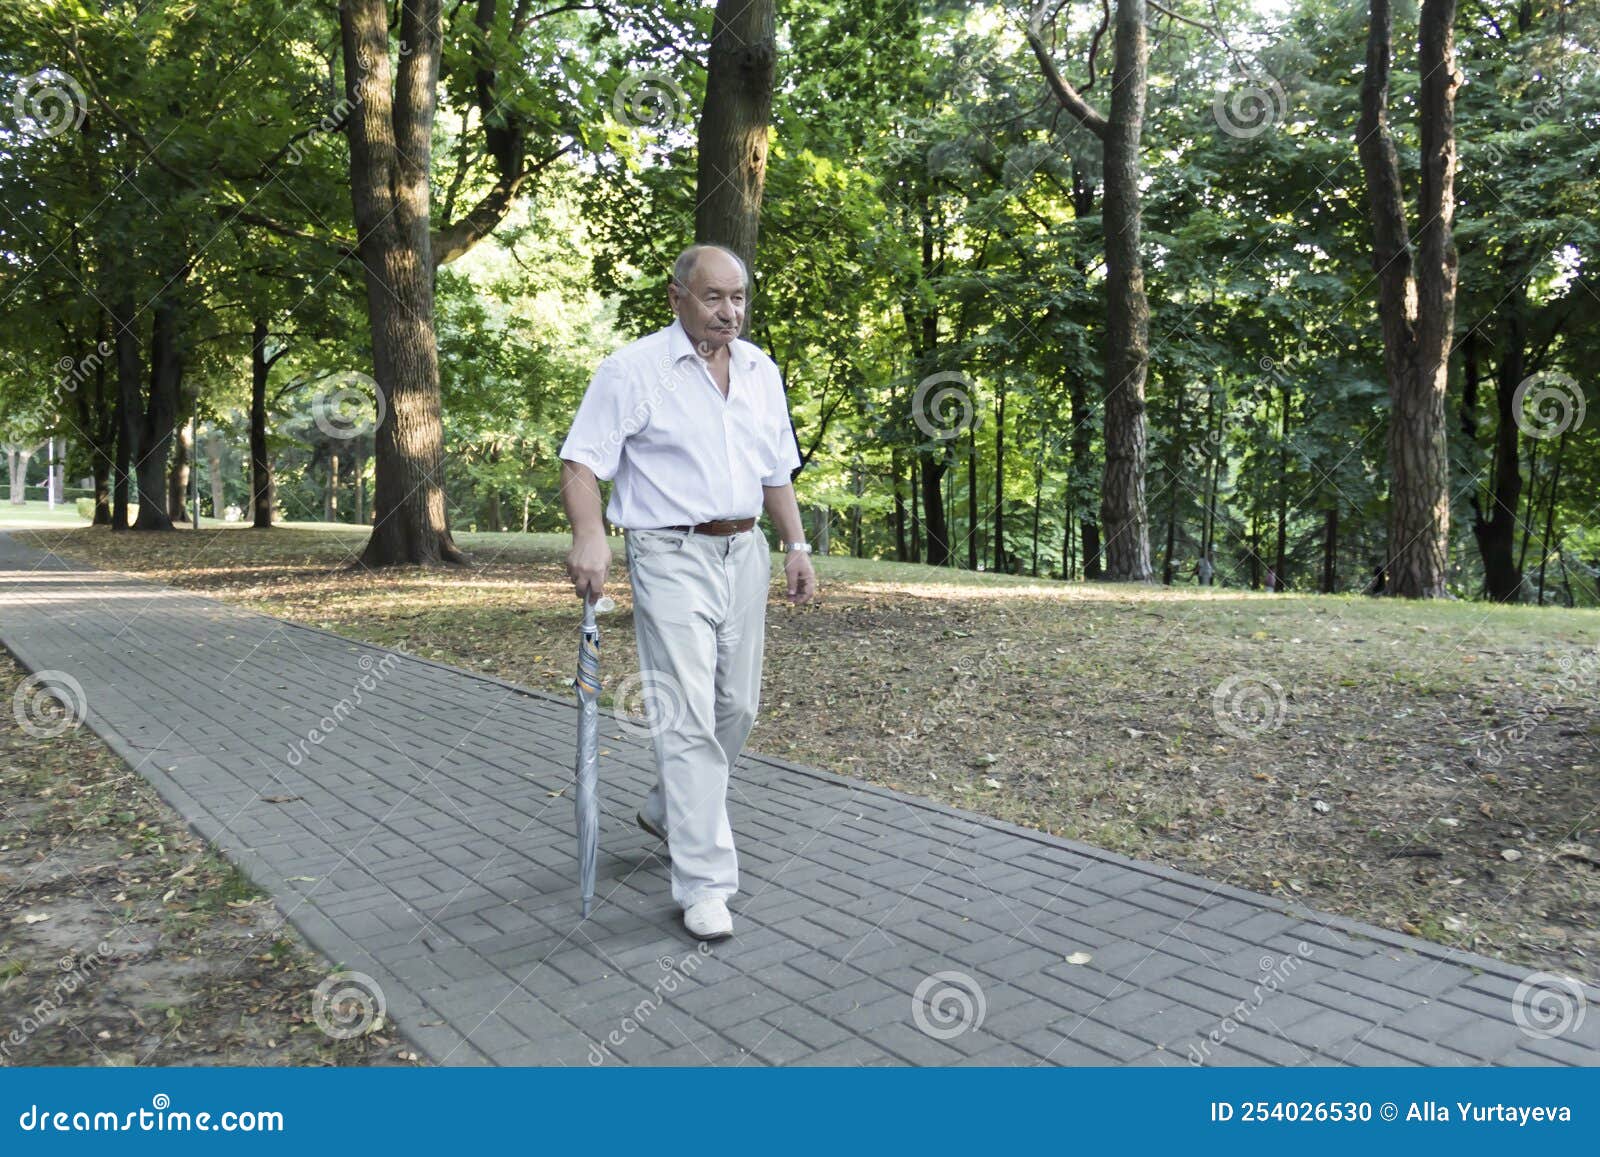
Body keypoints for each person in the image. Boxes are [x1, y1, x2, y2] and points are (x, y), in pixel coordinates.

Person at [558, 243, 817, 942]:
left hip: (745, 552)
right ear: (677, 298)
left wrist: (795, 545)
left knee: (738, 707)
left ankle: (670, 808)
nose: (729, 312)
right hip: (668, 552)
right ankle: (705, 883)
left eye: (738, 298)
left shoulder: (760, 370)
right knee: (690, 718)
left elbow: (775, 469)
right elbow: (581, 461)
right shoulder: (632, 370)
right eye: (713, 297)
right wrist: (590, 534)